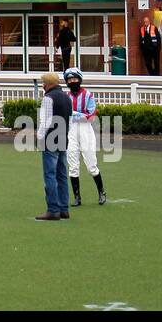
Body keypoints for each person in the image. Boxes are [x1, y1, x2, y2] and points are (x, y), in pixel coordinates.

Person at [64, 67, 105, 206]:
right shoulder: (66, 97)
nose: (72, 81)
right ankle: (77, 197)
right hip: (71, 130)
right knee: (73, 165)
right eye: (69, 80)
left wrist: (74, 114)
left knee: (91, 165)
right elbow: (64, 115)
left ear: (79, 80)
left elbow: (91, 116)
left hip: (86, 130)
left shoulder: (88, 95)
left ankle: (101, 192)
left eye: (74, 79)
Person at [35, 71, 71, 221]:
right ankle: (64, 208)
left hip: (50, 139)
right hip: (63, 138)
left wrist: (39, 138)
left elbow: (46, 121)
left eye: (43, 82)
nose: (42, 85)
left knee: (50, 175)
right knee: (62, 174)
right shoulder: (67, 97)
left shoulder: (48, 98)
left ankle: (53, 210)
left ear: (48, 84)